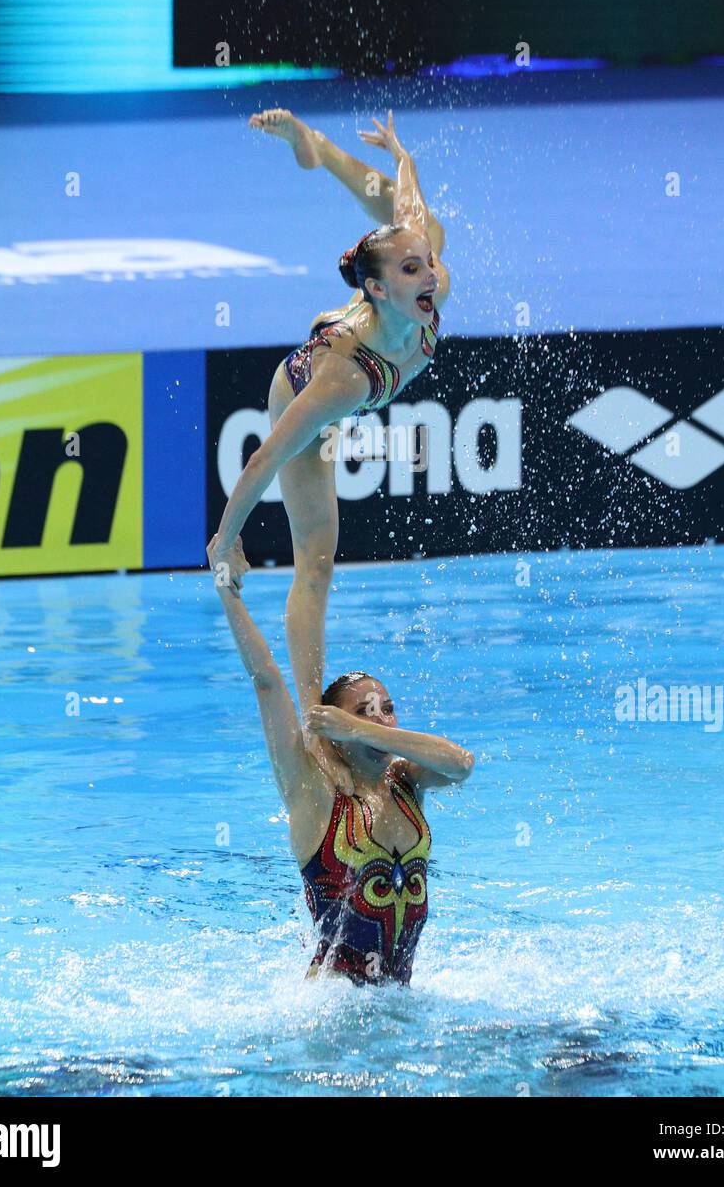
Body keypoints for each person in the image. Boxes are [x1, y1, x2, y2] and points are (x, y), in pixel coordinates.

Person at [210, 108, 451, 793]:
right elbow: (263, 459)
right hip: (301, 402)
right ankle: (317, 722)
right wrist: (225, 540)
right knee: (316, 557)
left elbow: (405, 201)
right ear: (376, 289)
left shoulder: (430, 286)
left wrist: (401, 152)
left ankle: (314, 151)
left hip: (366, 364)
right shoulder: (341, 377)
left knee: (411, 216)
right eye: (411, 270)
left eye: (426, 265)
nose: (429, 275)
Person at [208, 533, 474, 986]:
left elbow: (461, 763)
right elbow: (267, 680)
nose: (382, 720)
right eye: (364, 712)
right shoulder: (315, 794)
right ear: (334, 730)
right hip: (331, 1014)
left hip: (397, 1004)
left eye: (387, 708)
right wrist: (226, 588)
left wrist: (360, 728)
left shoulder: (406, 782)